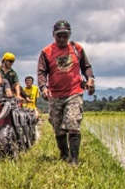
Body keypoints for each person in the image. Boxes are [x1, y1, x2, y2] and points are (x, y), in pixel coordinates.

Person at [37, 19, 95, 164]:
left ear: (69, 34)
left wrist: (90, 79)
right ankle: (64, 154)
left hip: (74, 92)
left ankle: (74, 160)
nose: (62, 38)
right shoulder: (46, 52)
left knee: (72, 123)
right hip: (55, 95)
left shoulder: (77, 49)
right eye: (59, 36)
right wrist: (43, 87)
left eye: (65, 35)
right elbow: (42, 72)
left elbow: (86, 67)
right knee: (58, 128)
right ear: (53, 35)